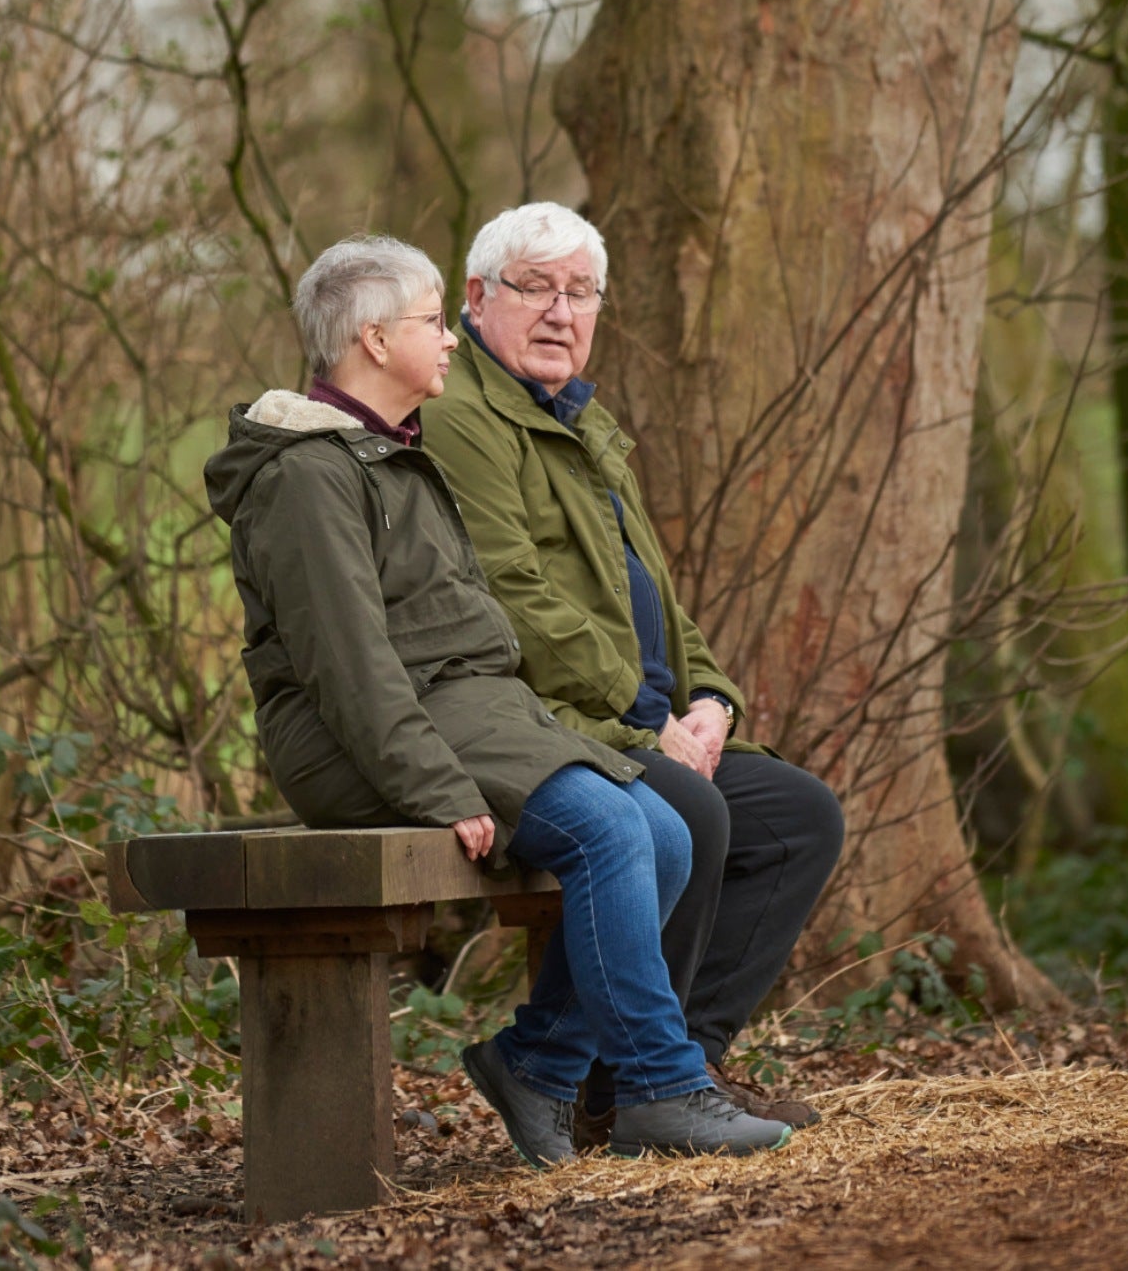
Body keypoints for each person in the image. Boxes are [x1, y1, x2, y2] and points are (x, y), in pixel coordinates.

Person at [202, 234, 791, 1163]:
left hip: (466, 714)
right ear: (371, 338)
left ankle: (539, 1066)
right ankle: (661, 1089)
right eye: (434, 322)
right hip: (365, 740)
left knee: (668, 831)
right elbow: (351, 668)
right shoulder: (308, 477)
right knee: (608, 829)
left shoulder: (388, 453)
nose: (449, 342)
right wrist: (439, 787)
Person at [422, 202, 845, 1141]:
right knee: (691, 810)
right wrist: (639, 712)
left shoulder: (578, 415)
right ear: (478, 298)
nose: (560, 312)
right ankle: (642, 1084)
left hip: (635, 715)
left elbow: (648, 588)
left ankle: (675, 1066)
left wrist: (707, 698)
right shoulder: (462, 419)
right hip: (547, 722)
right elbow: (513, 594)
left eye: (580, 292)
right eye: (535, 288)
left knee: (798, 818)